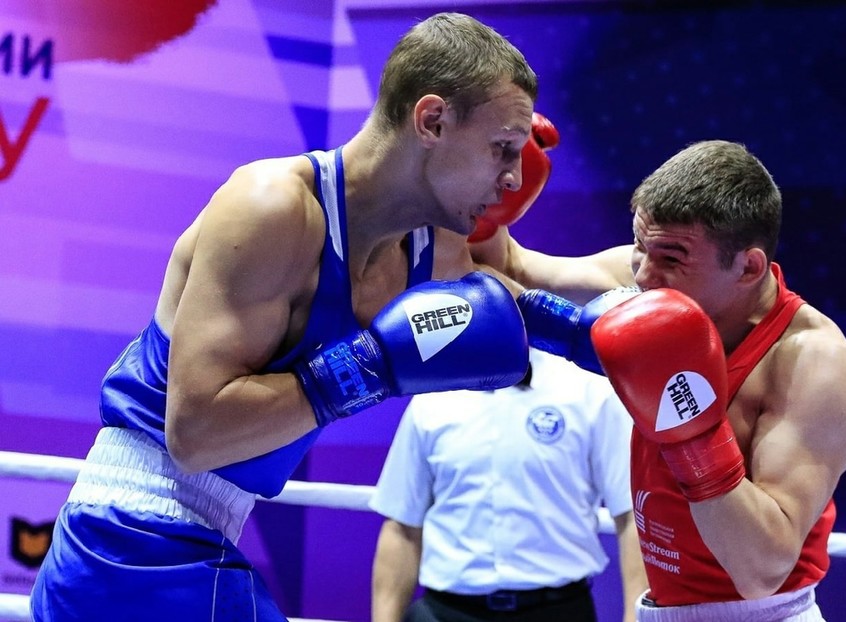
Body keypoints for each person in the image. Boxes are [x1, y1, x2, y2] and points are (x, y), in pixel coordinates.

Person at [31, 12, 548, 621]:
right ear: (431, 120)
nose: (513, 176)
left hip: (189, 543)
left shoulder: (433, 250)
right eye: (503, 148)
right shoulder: (271, 206)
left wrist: (624, 311)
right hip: (128, 540)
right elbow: (194, 435)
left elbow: (561, 285)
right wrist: (370, 367)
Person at [471, 140, 846, 621]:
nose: (642, 276)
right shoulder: (649, 268)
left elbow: (761, 571)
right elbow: (510, 267)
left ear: (749, 266)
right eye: (640, 246)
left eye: (672, 258)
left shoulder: (812, 361)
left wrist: (690, 428)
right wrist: (488, 193)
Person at [369, 348, 647, 622]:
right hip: (445, 611)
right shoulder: (433, 395)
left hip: (558, 611)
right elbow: (402, 526)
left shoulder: (588, 388)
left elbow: (632, 515)